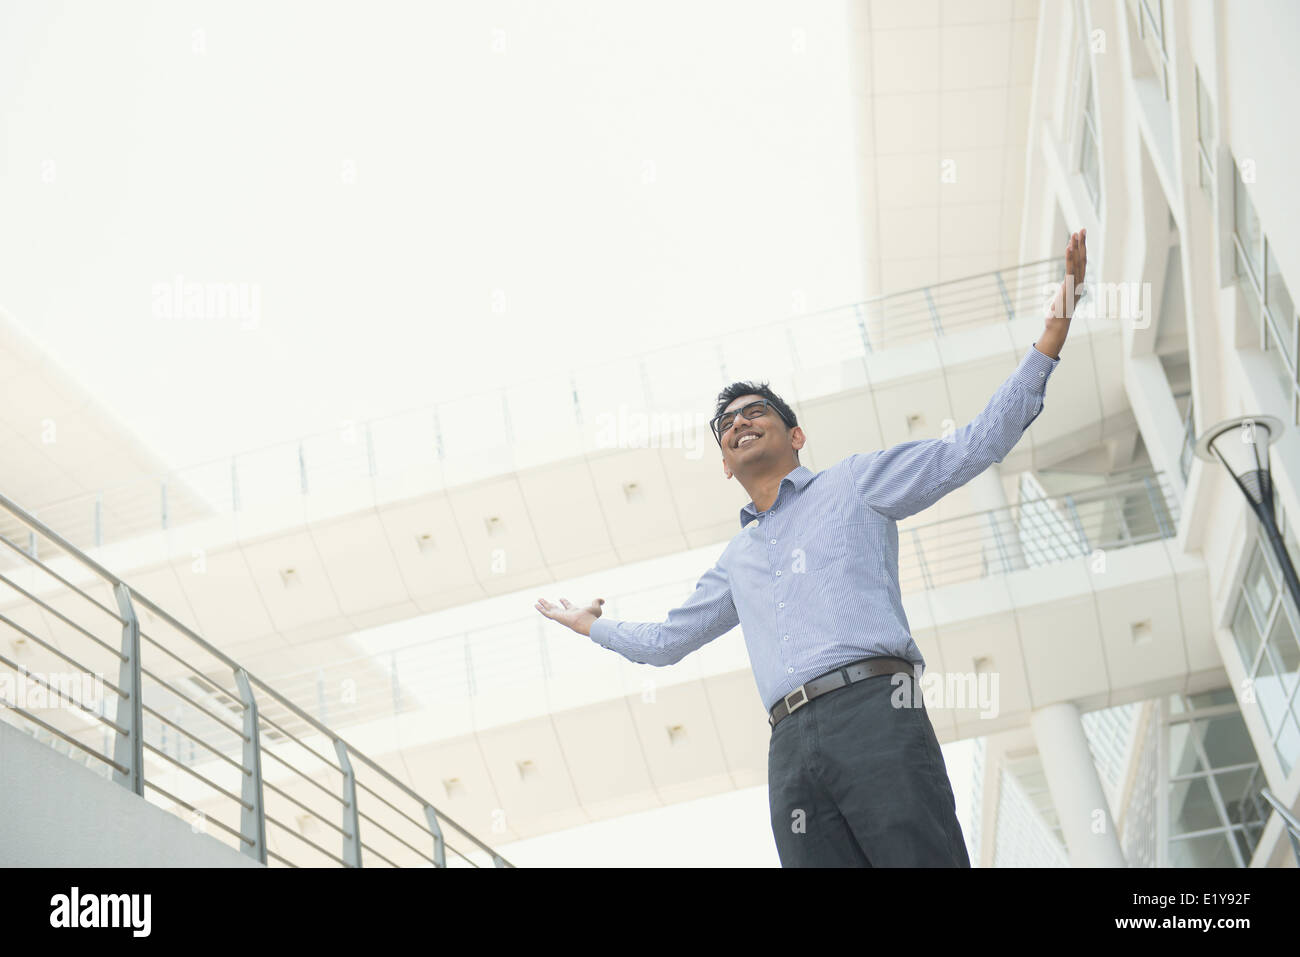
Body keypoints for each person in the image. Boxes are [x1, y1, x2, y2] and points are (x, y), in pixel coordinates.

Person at [537, 230, 1087, 866]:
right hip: (791, 748)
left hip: (875, 711)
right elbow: (667, 643)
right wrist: (591, 626)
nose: (738, 422)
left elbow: (971, 449)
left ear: (795, 434)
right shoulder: (735, 563)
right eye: (725, 426)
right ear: (723, 464)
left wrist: (1053, 332)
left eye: (752, 412)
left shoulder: (855, 484)